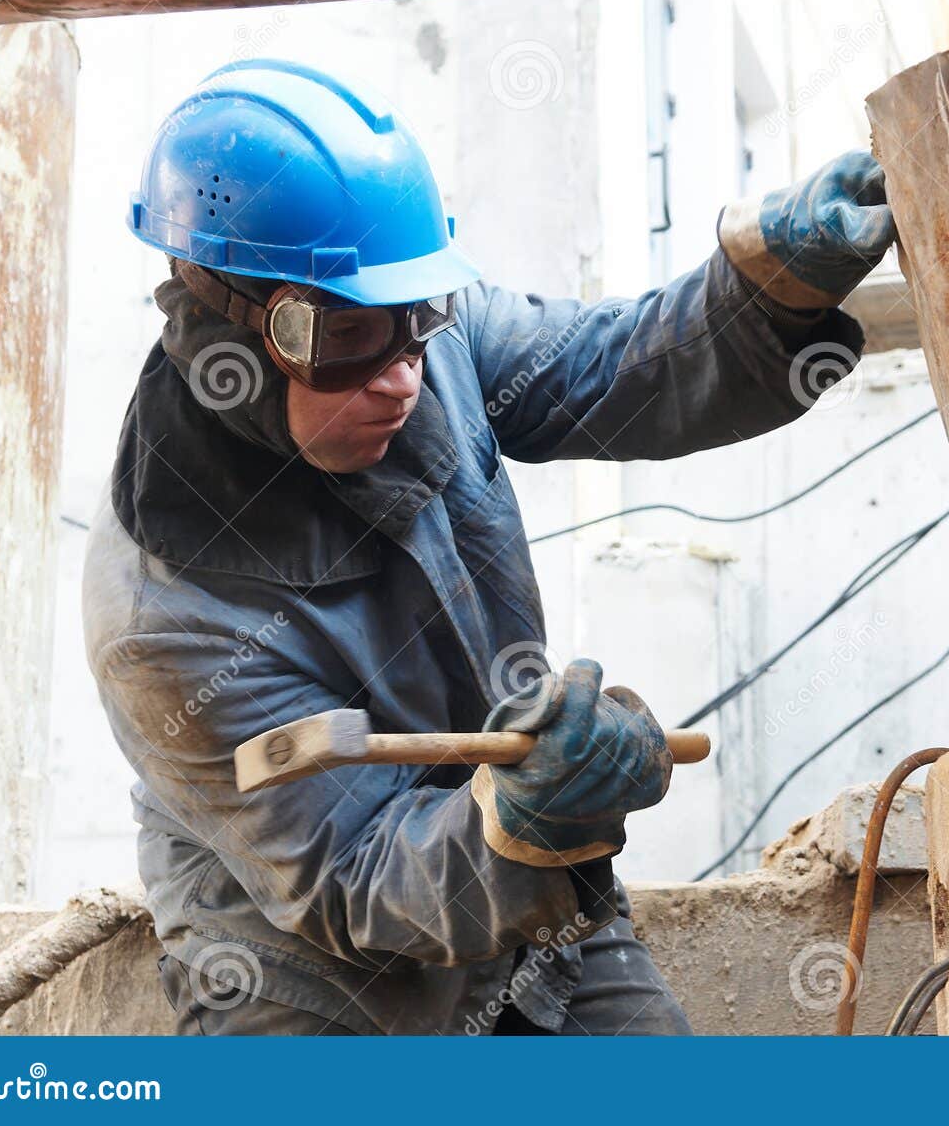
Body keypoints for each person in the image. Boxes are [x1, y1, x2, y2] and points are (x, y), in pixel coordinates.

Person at [84, 59, 895, 1034]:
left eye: (421, 324)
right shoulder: (166, 622)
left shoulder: (410, 342)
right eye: (347, 335)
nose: (403, 380)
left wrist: (763, 290)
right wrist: (528, 817)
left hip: (532, 899)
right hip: (315, 978)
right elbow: (357, 878)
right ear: (221, 330)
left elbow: (602, 366)